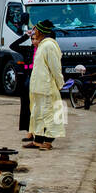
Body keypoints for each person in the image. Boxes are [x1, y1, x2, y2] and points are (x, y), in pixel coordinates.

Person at [26, 20, 65, 150]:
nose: (33, 31)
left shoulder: (49, 45)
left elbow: (55, 67)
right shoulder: (42, 45)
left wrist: (60, 83)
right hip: (38, 87)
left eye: (35, 30)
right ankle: (38, 140)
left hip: (47, 86)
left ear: (41, 32)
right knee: (37, 114)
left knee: (49, 114)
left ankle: (48, 142)